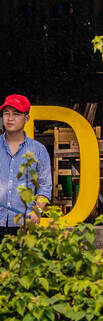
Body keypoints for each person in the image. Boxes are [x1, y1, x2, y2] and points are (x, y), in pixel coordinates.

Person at [0, 94, 52, 235]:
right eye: (6, 113)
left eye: (16, 114)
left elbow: (45, 187)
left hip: (24, 223)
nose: (10, 118)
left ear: (27, 118)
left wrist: (37, 210)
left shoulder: (38, 150)